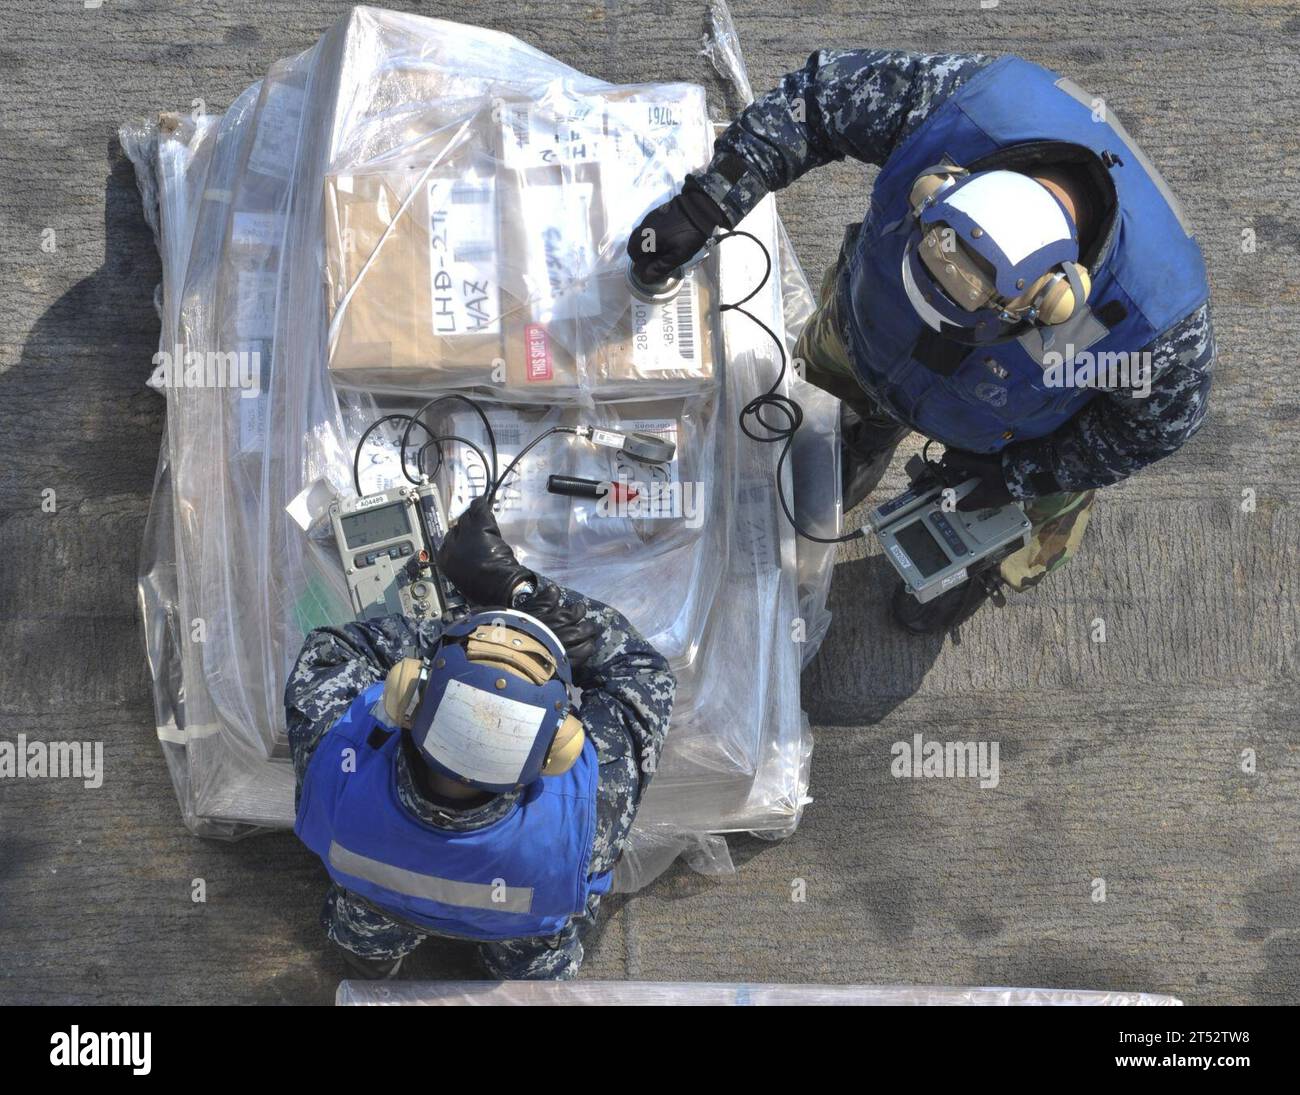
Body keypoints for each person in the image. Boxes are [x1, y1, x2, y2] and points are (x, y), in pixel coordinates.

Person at [629, 50, 1214, 634]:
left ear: (1053, 300)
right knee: (835, 380)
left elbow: (1153, 430)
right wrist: (706, 203)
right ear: (941, 190)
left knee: (1015, 519)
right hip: (869, 334)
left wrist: (1021, 476)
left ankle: (985, 566)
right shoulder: (957, 110)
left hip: (1011, 435)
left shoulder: (1156, 320)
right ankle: (868, 431)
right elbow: (815, 103)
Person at [285, 497, 674, 979]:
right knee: (538, 955)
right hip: (515, 927)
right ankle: (515, 976)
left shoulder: (335, 765)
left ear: (410, 693)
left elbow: (334, 650)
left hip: (380, 905)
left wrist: (456, 634)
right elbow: (641, 671)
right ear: (559, 748)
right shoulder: (591, 808)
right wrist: (524, 592)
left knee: (365, 925)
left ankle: (374, 960)